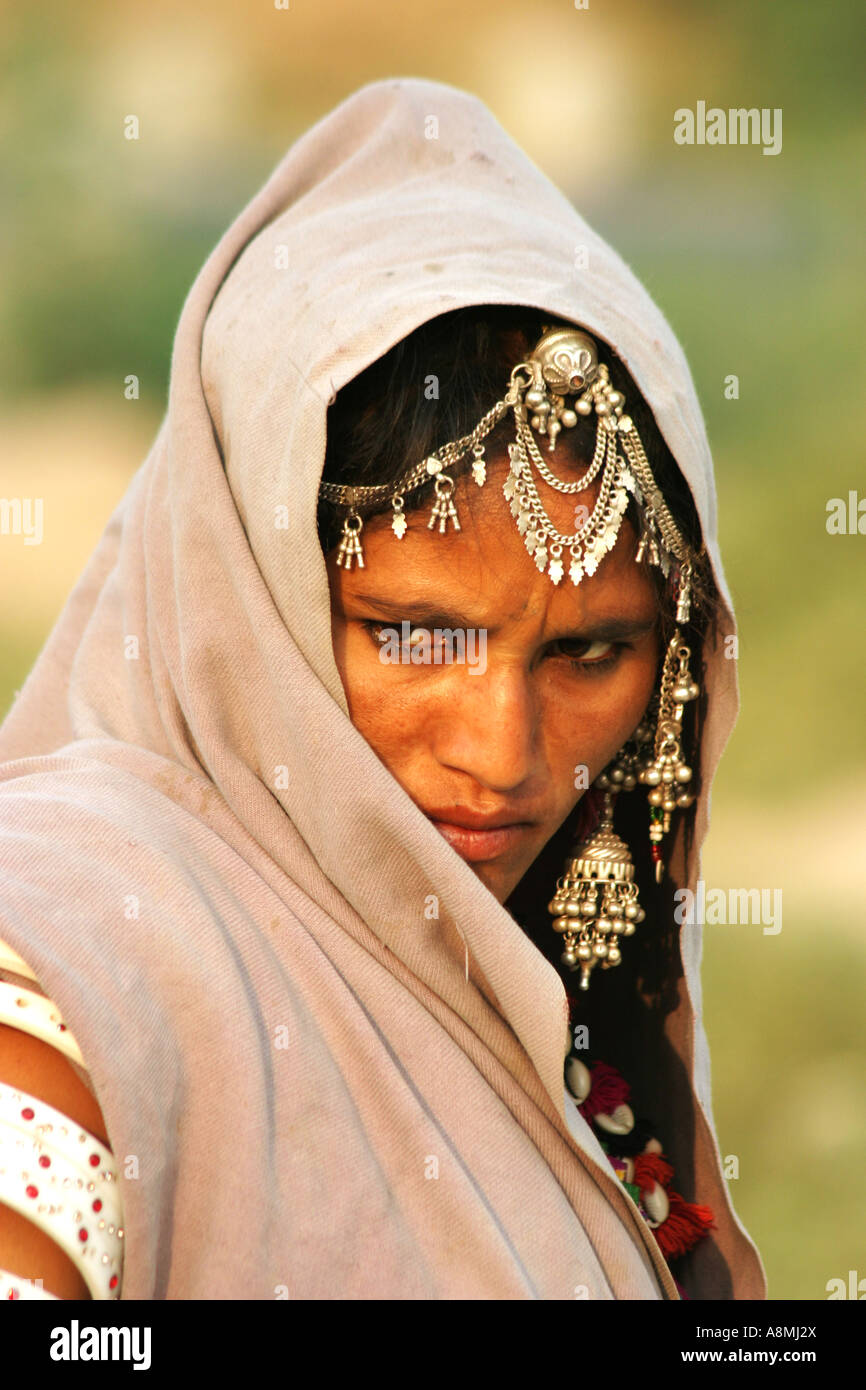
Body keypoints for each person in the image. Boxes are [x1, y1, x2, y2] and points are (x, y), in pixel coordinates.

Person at [0, 76, 766, 1300]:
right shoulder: (63, 972)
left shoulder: (577, 1036)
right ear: (251, 592)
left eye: (588, 653)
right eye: (411, 633)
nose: (502, 752)